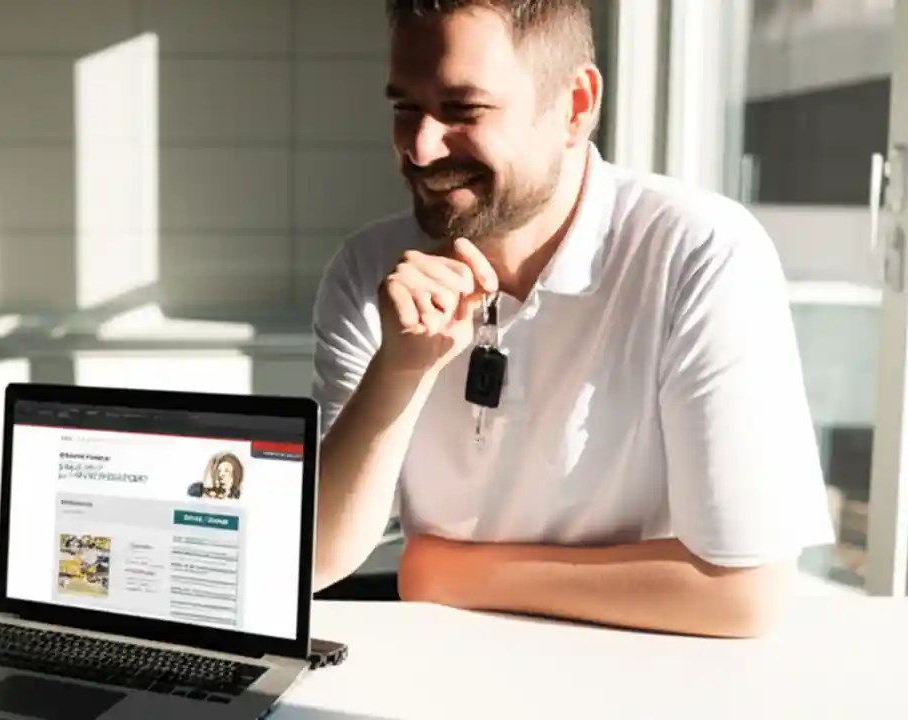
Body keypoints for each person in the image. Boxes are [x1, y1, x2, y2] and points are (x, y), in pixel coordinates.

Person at [309, 0, 835, 638]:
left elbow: (746, 594)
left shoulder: (699, 251)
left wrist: (444, 574)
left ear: (576, 105)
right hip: (438, 678)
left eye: (462, 110)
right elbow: (315, 561)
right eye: (404, 108)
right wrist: (400, 369)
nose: (420, 147)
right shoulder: (371, 270)